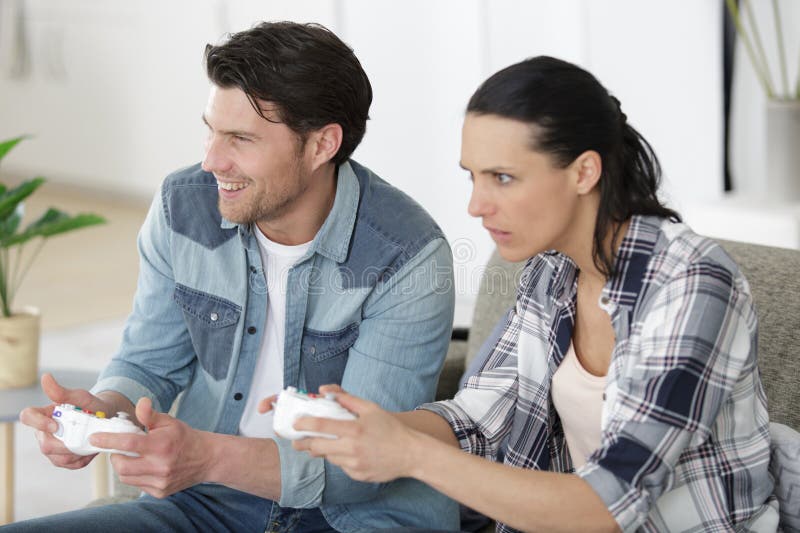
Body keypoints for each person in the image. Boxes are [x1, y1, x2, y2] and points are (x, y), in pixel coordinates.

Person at [288, 56, 780, 532]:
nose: (477, 205)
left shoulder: (691, 284)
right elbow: (481, 420)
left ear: (584, 172)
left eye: (502, 177)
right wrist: (358, 426)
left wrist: (411, 454)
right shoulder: (550, 272)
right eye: (472, 176)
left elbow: (609, 505)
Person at [8, 21, 459, 532]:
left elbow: (363, 466)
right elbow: (148, 363)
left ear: (321, 145)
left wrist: (206, 457)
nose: (212, 161)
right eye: (211, 130)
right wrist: (104, 412)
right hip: (206, 504)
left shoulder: (409, 255)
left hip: (357, 518)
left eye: (241, 139)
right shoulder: (185, 207)